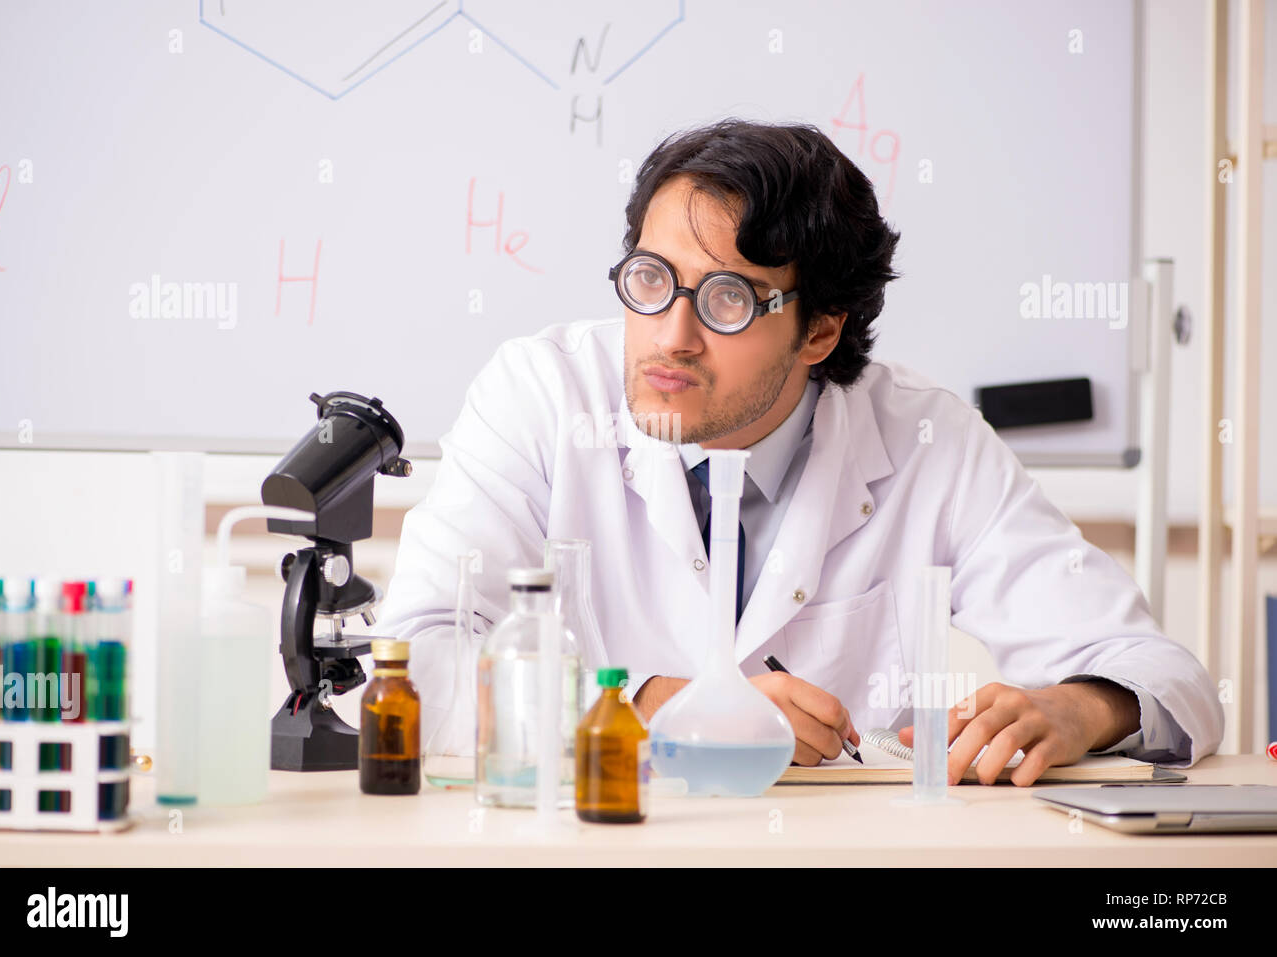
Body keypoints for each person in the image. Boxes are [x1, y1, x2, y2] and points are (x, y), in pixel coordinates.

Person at [380, 118, 1222, 786]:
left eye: (727, 300)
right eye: (649, 278)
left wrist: (1080, 710)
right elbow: (408, 667)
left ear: (820, 328)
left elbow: (1165, 673)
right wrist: (657, 710)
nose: (671, 337)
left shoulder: (929, 440)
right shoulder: (542, 395)